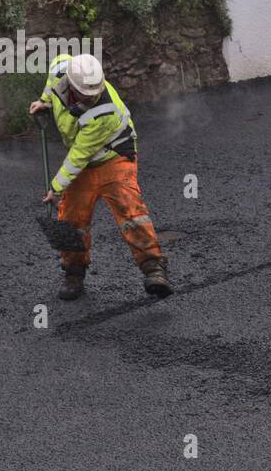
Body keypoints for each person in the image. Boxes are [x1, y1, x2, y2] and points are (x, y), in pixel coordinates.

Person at [29, 52, 171, 301]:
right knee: (71, 219)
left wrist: (56, 188)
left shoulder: (103, 113)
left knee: (131, 213)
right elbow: (52, 83)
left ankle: (154, 269)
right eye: (86, 93)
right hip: (84, 159)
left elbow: (79, 156)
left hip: (115, 155)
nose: (92, 96)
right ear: (71, 83)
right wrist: (45, 101)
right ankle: (73, 274)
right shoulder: (61, 68)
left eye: (95, 91)